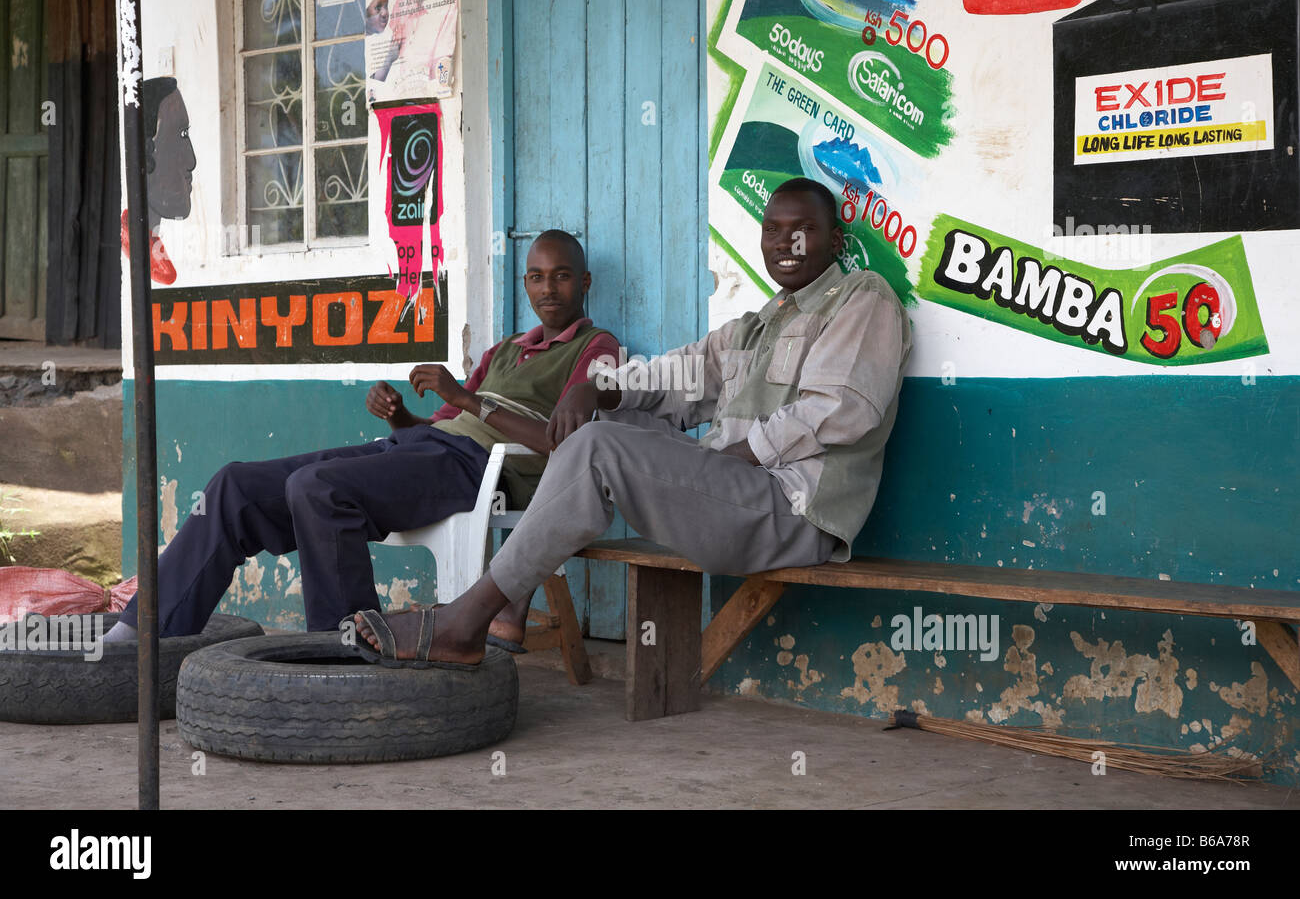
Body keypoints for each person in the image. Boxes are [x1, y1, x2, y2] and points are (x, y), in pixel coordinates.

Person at [351, 177, 913, 663]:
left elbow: (840, 410)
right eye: (771, 229)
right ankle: (506, 604)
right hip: (736, 496)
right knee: (598, 429)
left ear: (835, 240)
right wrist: (600, 389)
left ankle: (464, 620)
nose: (785, 242)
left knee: (600, 448)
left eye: (804, 229)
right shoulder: (753, 326)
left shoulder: (863, 300)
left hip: (792, 512)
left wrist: (735, 455)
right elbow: (677, 376)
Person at [104, 231, 618, 645]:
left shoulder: (597, 347)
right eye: (536, 277)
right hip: (423, 451)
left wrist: (465, 400)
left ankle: (344, 648)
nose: (548, 289)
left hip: (481, 468)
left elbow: (563, 445)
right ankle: (144, 628)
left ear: (585, 282)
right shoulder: (505, 348)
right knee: (235, 484)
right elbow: (438, 425)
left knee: (318, 487)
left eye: (561, 276)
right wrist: (399, 418)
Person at [120, 77, 196, 285]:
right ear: (145, 154)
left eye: (186, 134)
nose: (191, 161)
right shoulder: (139, 247)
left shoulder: (148, 242)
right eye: (179, 135)